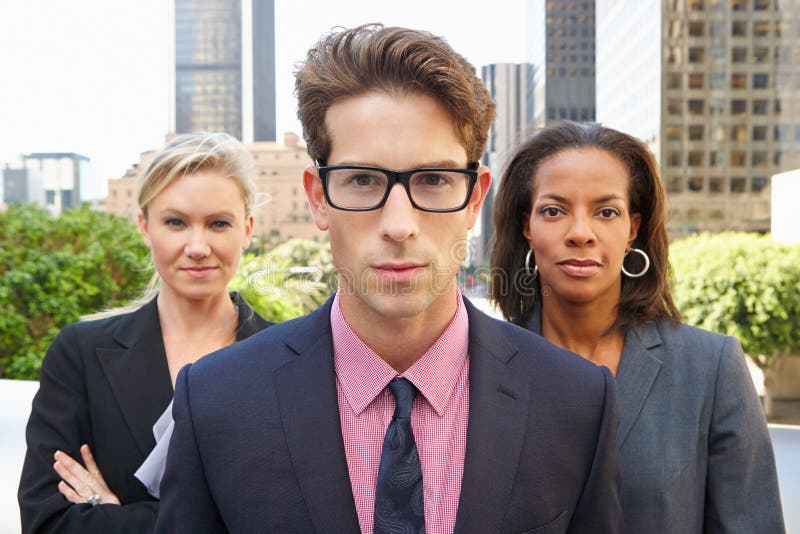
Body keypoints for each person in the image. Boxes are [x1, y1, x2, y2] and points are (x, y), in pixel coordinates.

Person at [155, 24, 622, 534]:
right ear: (318, 197)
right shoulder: (215, 400)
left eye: (434, 179)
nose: (399, 224)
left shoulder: (577, 401)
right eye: (362, 180)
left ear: (474, 198)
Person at [490, 121, 785, 533]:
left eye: (606, 212)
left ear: (632, 229)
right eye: (554, 211)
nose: (580, 234)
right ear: (527, 226)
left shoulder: (710, 368)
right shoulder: (483, 366)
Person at [18, 133, 272, 533]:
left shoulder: (289, 359)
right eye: (175, 222)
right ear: (144, 227)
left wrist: (112, 514)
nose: (197, 246)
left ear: (247, 230)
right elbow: (46, 521)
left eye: (218, 223)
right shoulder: (80, 355)